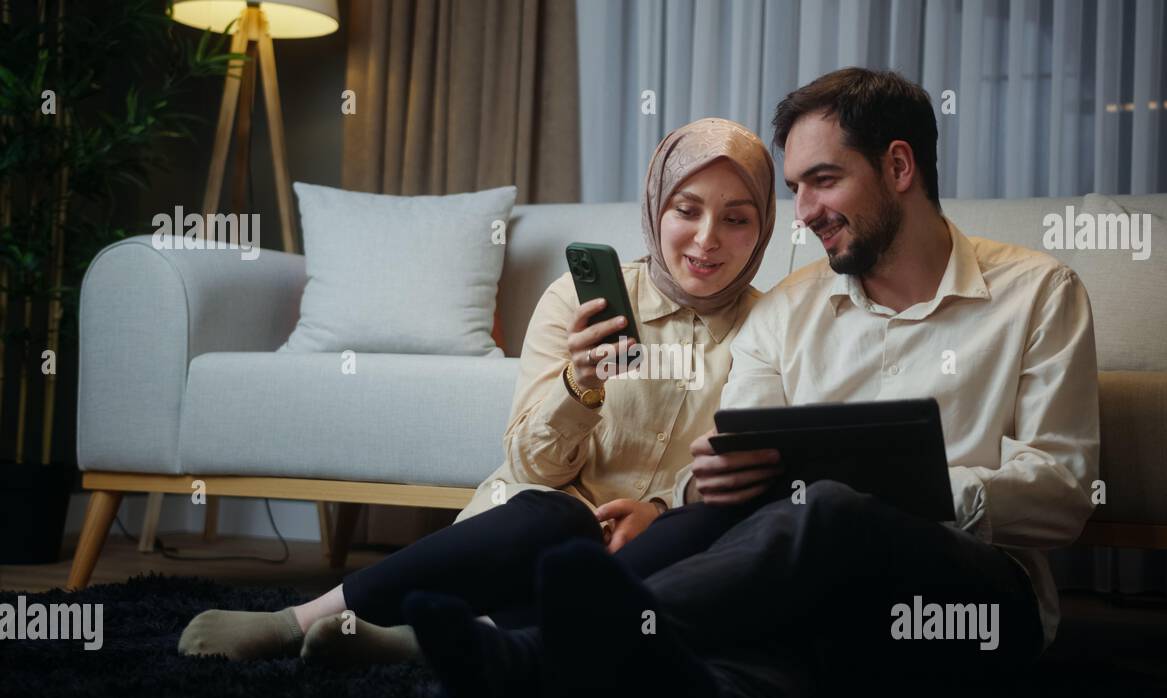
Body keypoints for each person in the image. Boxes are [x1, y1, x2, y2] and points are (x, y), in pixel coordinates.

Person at [405, 68, 1100, 698]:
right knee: (752, 652)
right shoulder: (787, 311)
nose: (808, 214)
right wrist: (695, 485)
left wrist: (916, 492)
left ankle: (542, 645)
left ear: (898, 166)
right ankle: (583, 685)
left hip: (973, 598)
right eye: (797, 188)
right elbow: (732, 460)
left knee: (829, 506)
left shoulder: (1038, 293)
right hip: (821, 591)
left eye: (824, 181)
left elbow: (1067, 494)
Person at [177, 117, 779, 664]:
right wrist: (581, 385)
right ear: (656, 207)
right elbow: (530, 464)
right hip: (536, 529)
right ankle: (296, 620)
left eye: (736, 218)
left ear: (764, 228)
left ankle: (447, 642)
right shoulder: (578, 299)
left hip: (660, 549)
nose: (706, 240)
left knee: (696, 540)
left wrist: (660, 511)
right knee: (552, 515)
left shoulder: (774, 327)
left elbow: (742, 474)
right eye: (687, 209)